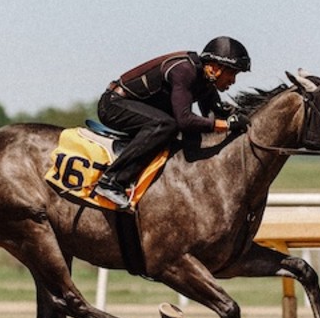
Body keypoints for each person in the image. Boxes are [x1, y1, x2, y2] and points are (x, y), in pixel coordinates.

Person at [92, 36, 252, 209]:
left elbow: (213, 115)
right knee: (166, 125)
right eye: (232, 73)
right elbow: (184, 121)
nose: (233, 81)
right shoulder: (184, 71)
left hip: (137, 108)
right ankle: (111, 180)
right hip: (113, 106)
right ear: (215, 67)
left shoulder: (206, 82)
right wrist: (226, 125)